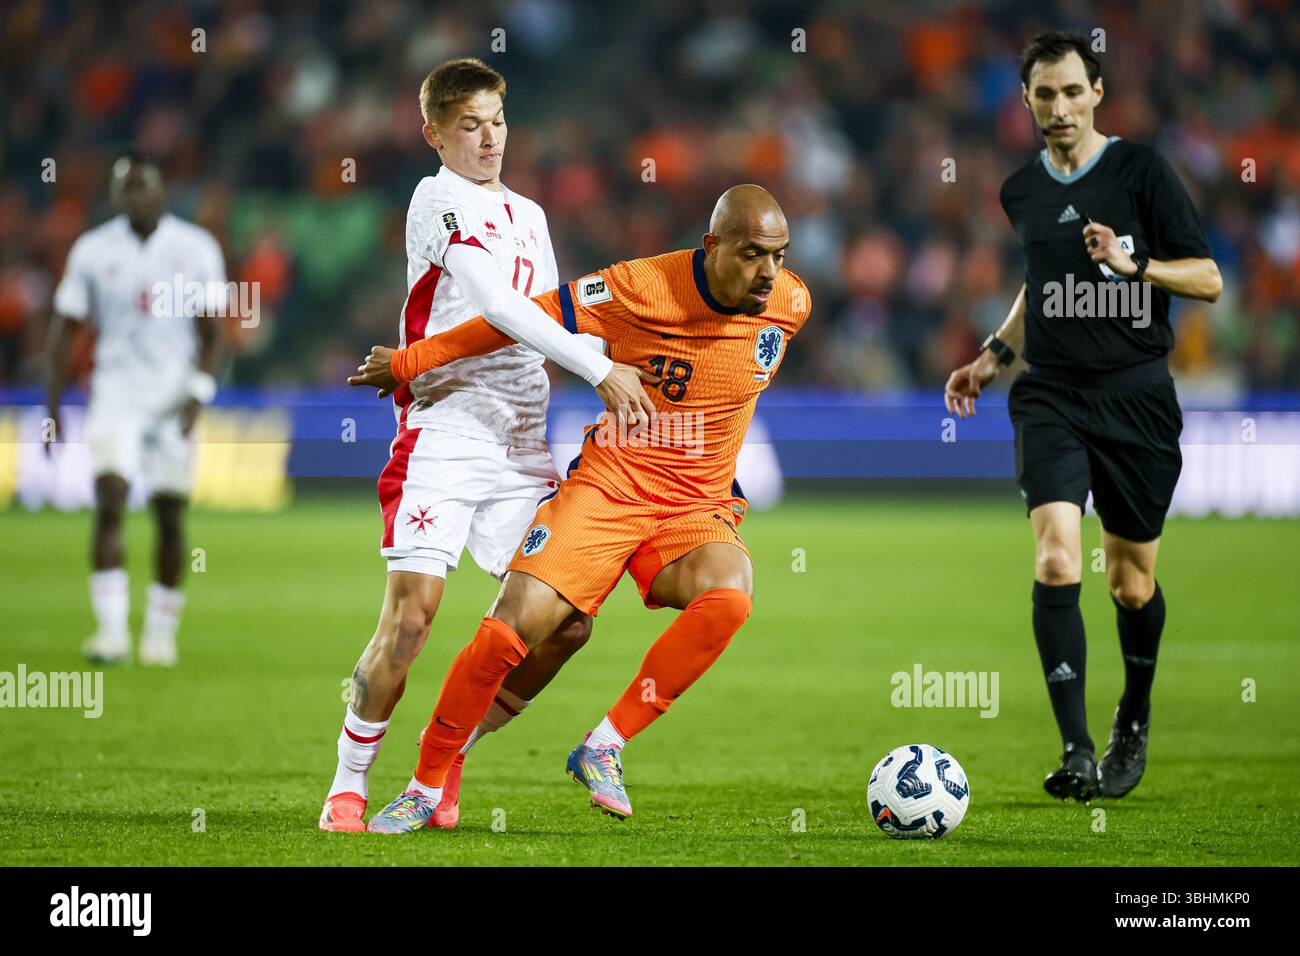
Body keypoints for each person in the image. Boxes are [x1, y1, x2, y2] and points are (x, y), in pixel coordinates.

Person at [351, 184, 811, 832]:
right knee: (511, 629)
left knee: (730, 597)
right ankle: (425, 784)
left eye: (780, 256)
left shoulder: (790, 303)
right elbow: (517, 318)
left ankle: (604, 744)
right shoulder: (639, 287)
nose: (769, 272)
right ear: (711, 246)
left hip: (695, 506)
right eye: (753, 254)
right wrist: (411, 360)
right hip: (610, 488)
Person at [319, 58, 655, 833]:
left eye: (497, 121)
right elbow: (500, 306)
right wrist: (601, 371)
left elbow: (556, 319)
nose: (489, 138)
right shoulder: (434, 200)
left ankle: (447, 756)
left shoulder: (530, 215)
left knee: (567, 622)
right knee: (411, 621)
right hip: (446, 429)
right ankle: (347, 782)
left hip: (522, 439)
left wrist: (637, 357)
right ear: (434, 134)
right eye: (469, 125)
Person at [943, 31, 1222, 802]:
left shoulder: (1142, 172)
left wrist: (1137, 266)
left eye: (1072, 91)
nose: (1060, 107)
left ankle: (1134, 714)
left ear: (1097, 92)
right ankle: (1077, 751)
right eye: (1045, 94)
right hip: (1052, 396)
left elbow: (1208, 279)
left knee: (1130, 585)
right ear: (1027, 101)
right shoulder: (1021, 191)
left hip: (1137, 399)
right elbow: (1041, 282)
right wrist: (994, 355)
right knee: (1057, 561)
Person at [46, 156, 225, 668]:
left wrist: (198, 392)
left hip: (173, 396)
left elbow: (214, 332)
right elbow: (64, 331)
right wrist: (52, 406)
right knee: (110, 499)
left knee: (169, 513)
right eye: (126, 189)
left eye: (143, 188)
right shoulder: (92, 249)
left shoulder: (196, 248)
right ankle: (111, 632)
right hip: (115, 392)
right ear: (115, 195)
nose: (135, 198)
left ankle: (160, 635)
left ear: (161, 191)